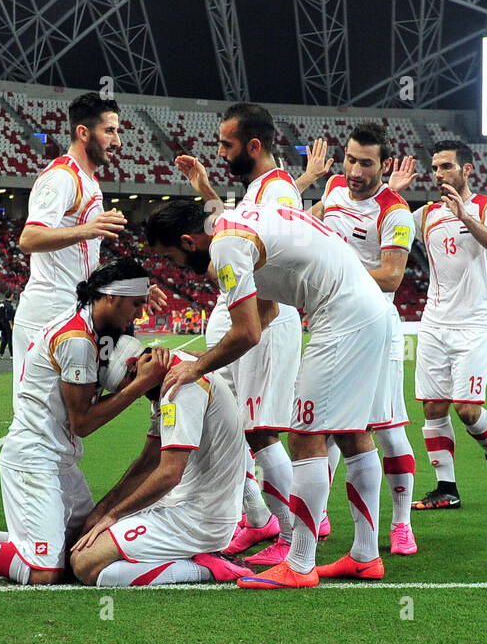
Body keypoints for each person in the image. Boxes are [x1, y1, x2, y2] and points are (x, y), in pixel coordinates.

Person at [147, 197, 394, 589]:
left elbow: (248, 332)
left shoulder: (225, 244)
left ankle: (299, 564)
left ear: (187, 241)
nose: (176, 268)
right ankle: (365, 556)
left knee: (304, 437)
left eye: (171, 257)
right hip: (367, 310)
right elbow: (267, 315)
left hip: (343, 316)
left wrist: (197, 367)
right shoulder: (239, 224)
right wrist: (206, 358)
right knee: (353, 434)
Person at [0, 259, 162, 585]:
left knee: (80, 548)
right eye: (136, 304)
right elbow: (83, 423)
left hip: (58, 456)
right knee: (44, 572)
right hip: (33, 456)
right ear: (111, 297)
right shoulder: (78, 340)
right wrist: (138, 387)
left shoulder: (87, 324)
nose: (139, 314)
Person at [173, 102, 304, 567]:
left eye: (227, 144)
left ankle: (291, 538)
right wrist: (205, 188)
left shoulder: (280, 192)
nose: (221, 151)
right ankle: (259, 519)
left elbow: (278, 261)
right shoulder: (257, 191)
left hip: (267, 319)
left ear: (253, 146)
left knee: (263, 431)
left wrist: (257, 324)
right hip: (249, 318)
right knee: (238, 428)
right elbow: (231, 233)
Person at [294, 122, 420, 556]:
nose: (354, 170)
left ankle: (401, 524)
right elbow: (311, 225)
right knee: (322, 426)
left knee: (385, 428)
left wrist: (334, 276)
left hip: (374, 330)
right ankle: (320, 514)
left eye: (366, 163)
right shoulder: (331, 189)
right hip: (330, 323)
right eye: (350, 159)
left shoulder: (395, 212)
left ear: (384, 165)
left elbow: (391, 276)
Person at [68, 336, 252, 586]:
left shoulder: (180, 384)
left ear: (136, 366)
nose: (127, 395)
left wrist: (113, 514)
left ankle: (208, 568)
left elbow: (169, 473)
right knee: (84, 541)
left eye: (125, 386)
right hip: (184, 504)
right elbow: (148, 462)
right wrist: (100, 512)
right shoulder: (168, 376)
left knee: (85, 562)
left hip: (201, 518)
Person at [389, 140, 487, 510]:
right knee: (432, 408)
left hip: (472, 326)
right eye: (435, 168)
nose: (439, 174)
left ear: (466, 169)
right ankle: (447, 489)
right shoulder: (424, 215)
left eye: (446, 166)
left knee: (467, 410)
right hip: (433, 323)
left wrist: (465, 217)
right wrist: (392, 195)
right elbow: (386, 230)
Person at [12, 93, 129, 387]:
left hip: (70, 312)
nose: (117, 142)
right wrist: (86, 229)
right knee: (41, 421)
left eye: (118, 132)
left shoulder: (89, 181)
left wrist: (128, 290)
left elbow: (83, 260)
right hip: (47, 314)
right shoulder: (62, 177)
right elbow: (29, 238)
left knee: (67, 422)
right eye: (110, 131)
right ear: (83, 132)